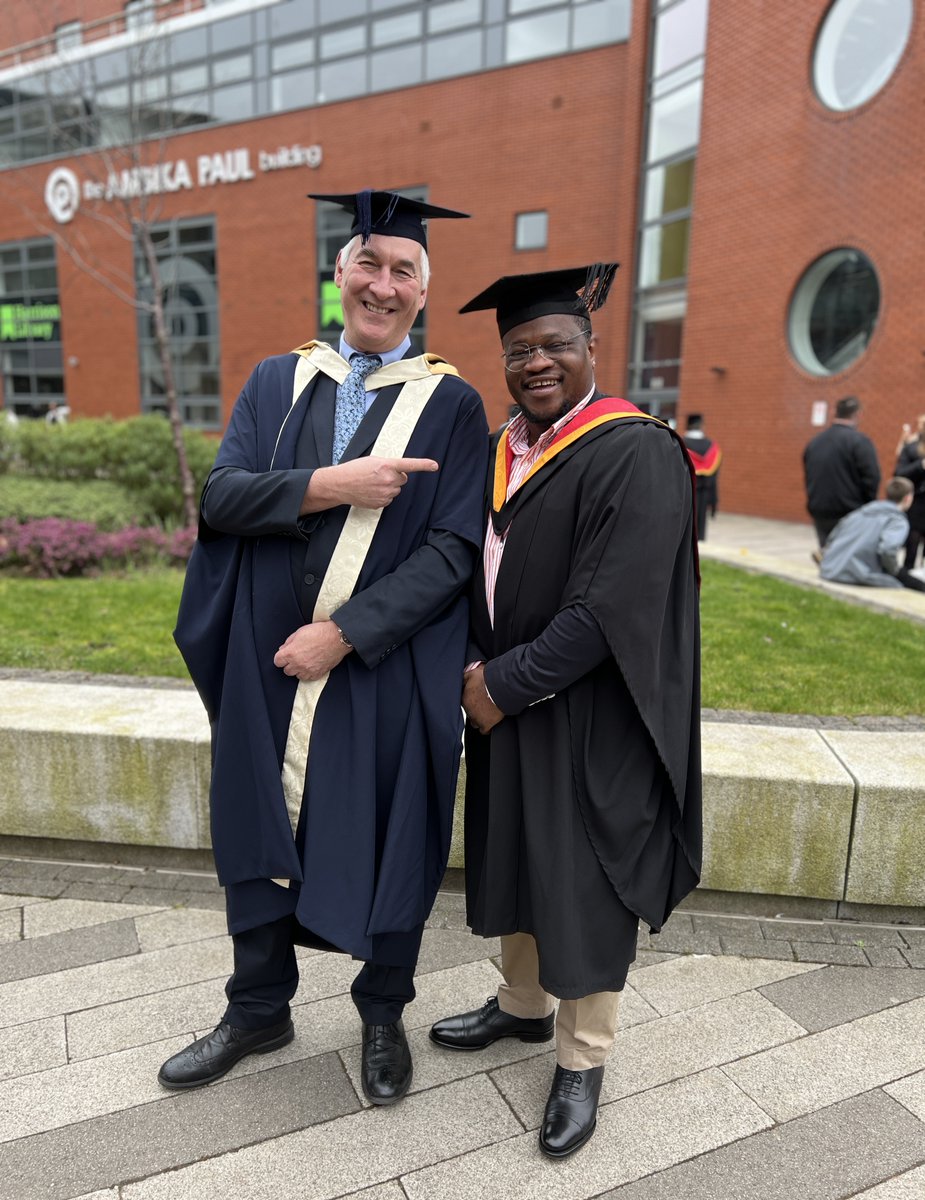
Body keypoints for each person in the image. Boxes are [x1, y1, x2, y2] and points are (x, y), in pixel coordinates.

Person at [163, 189, 489, 1105]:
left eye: (403, 271)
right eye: (368, 264)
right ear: (339, 271)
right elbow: (220, 497)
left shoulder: (451, 404)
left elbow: (453, 550)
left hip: (382, 665)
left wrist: (343, 635)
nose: (383, 285)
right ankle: (257, 1009)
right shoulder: (279, 380)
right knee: (258, 819)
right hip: (267, 657)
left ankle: (382, 1013)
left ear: (423, 290)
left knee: (392, 826)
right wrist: (332, 484)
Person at [429, 265, 702, 1158]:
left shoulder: (636, 449)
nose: (535, 362)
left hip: (590, 712)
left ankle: (583, 1057)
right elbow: (465, 568)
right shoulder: (500, 449)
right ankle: (521, 1006)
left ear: (590, 346)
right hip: (503, 700)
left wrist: (499, 686)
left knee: (584, 875)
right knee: (515, 850)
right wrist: (470, 666)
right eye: (518, 350)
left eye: (552, 345)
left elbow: (611, 606)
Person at [819, 477, 925, 592]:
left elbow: (831, 539)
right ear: (907, 498)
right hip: (858, 575)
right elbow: (888, 549)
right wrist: (894, 571)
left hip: (830, 570)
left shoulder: (860, 512)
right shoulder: (897, 521)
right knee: (915, 584)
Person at [803, 395, 880, 549]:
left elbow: (809, 474)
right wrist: (867, 506)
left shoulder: (815, 442)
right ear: (858, 414)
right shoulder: (859, 442)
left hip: (820, 510)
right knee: (846, 555)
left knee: (827, 553)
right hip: (849, 512)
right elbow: (872, 478)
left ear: (834, 412)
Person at [682, 412, 721, 541]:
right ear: (702, 426)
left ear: (687, 425)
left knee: (685, 530)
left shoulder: (680, 443)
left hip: (685, 493)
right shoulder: (712, 446)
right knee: (699, 530)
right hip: (704, 493)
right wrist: (714, 501)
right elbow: (714, 478)